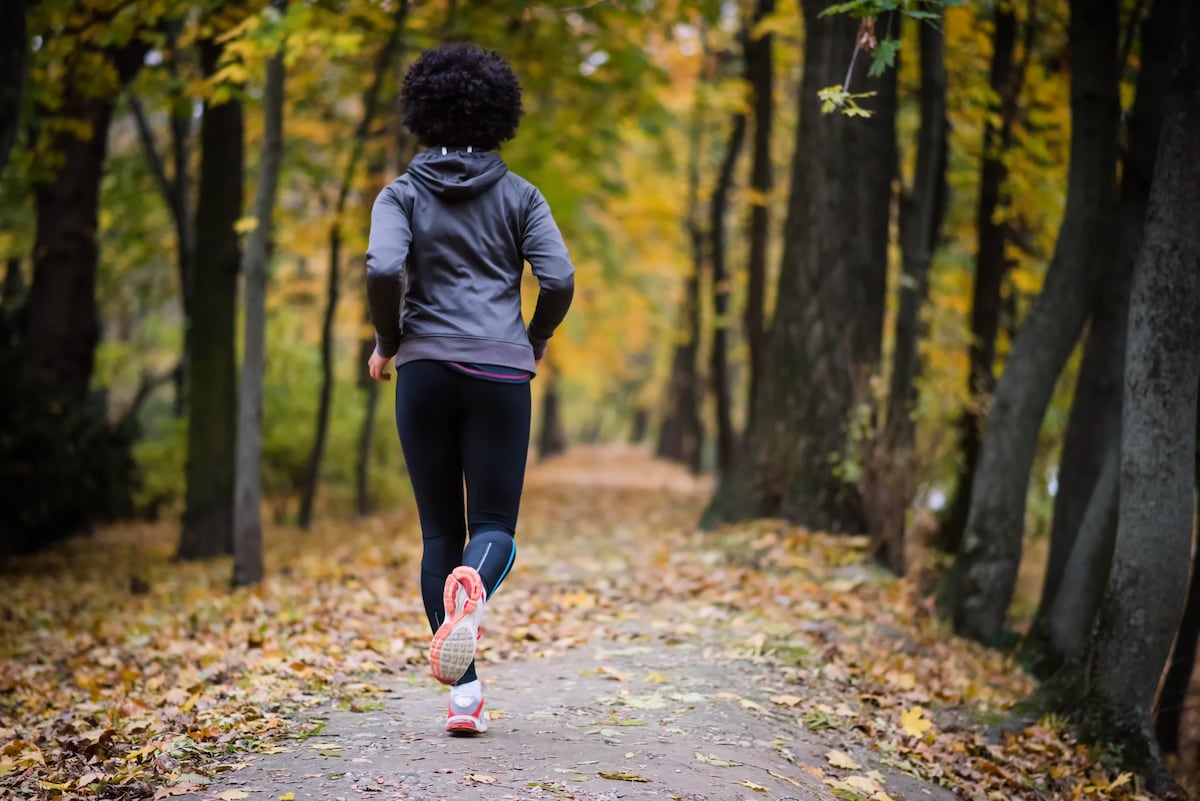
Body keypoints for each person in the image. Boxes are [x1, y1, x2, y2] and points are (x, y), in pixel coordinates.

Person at [364, 42, 575, 736]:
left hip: (423, 370)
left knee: (437, 533)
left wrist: (389, 340)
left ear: (421, 114)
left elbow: (383, 268)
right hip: (499, 373)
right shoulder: (522, 196)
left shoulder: (399, 194)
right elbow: (560, 278)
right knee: (492, 528)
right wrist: (535, 337)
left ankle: (464, 698)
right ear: (498, 115)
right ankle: (475, 593)